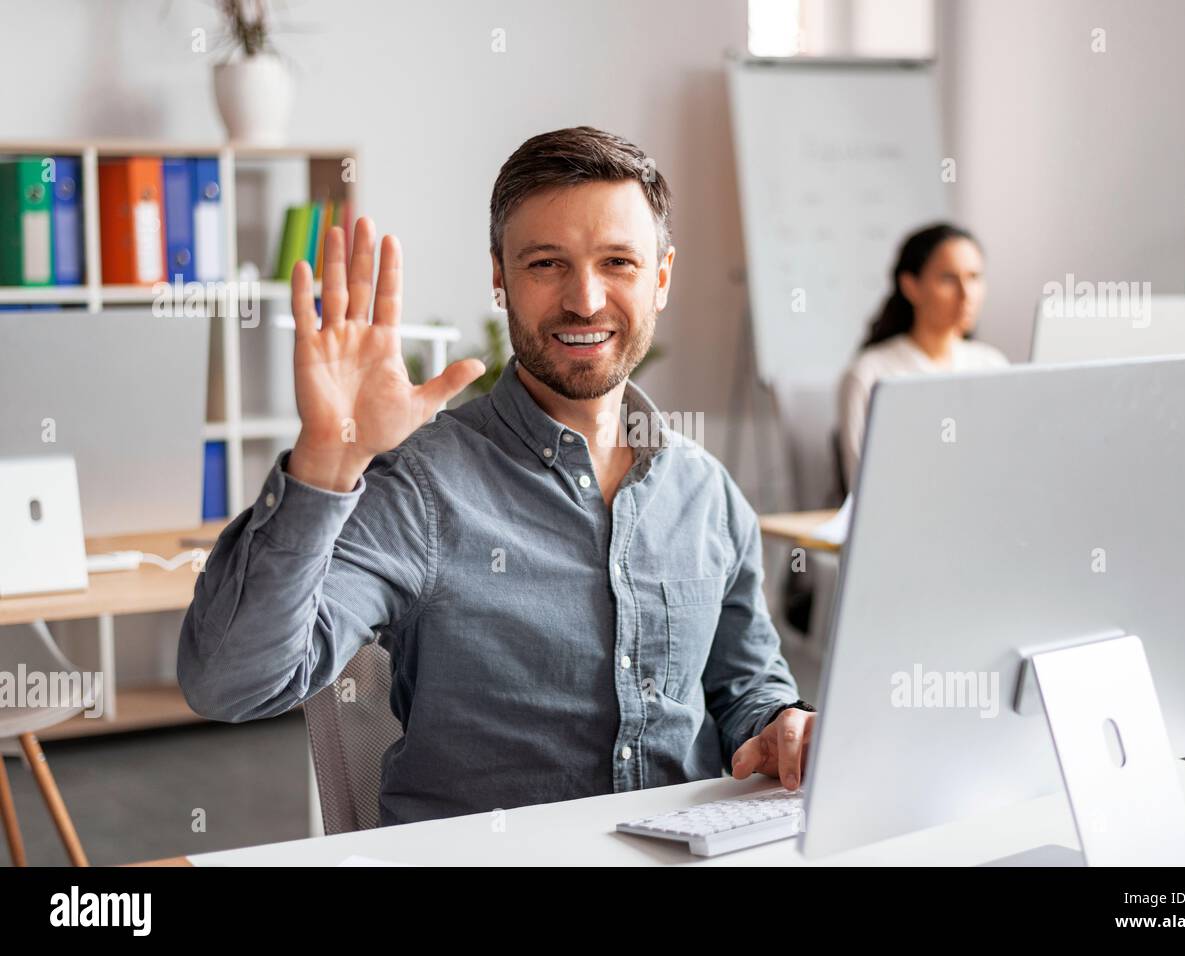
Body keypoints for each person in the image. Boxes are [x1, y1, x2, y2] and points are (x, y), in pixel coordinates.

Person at [177, 127, 816, 825]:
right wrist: (326, 464)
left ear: (660, 277)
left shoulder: (706, 491)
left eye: (618, 262)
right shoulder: (421, 489)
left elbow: (745, 685)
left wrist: (782, 724)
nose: (585, 299)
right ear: (499, 276)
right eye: (546, 264)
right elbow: (230, 685)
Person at [838, 223, 1009, 491]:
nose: (967, 295)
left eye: (975, 277)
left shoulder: (992, 365)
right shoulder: (870, 374)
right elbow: (862, 486)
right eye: (948, 279)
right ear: (911, 286)